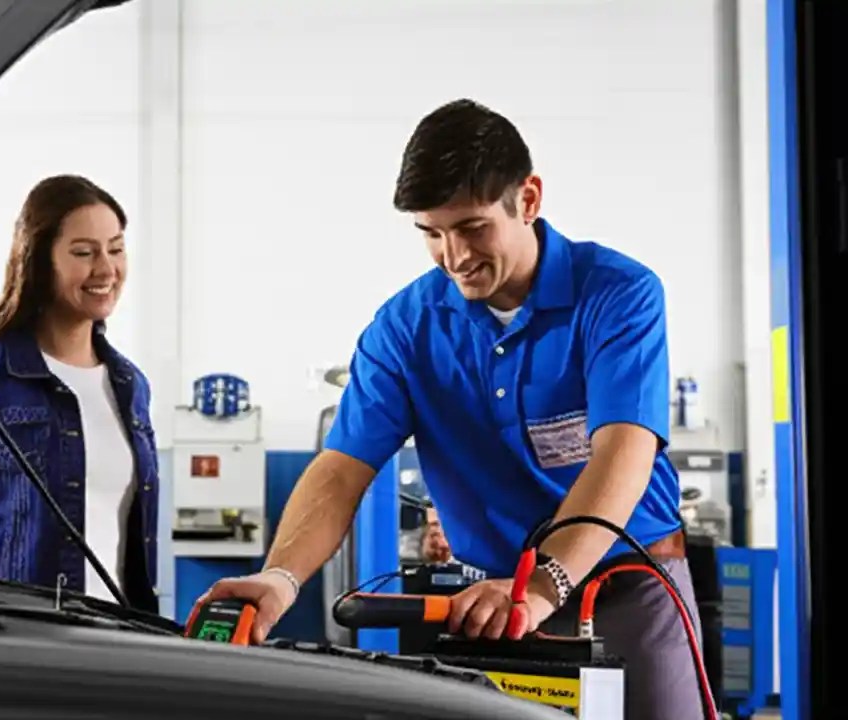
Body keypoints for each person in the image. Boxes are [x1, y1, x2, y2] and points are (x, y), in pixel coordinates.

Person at [197, 99, 702, 720]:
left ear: (529, 199)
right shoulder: (405, 327)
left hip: (624, 588)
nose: (453, 256)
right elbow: (342, 467)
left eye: (471, 228)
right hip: (486, 603)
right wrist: (280, 578)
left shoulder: (618, 295)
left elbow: (623, 453)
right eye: (432, 234)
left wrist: (546, 585)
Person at [0, 174, 161, 614]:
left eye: (116, 249)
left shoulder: (129, 383)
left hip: (117, 630)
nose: (106, 269)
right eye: (84, 252)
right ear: (40, 260)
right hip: (17, 636)